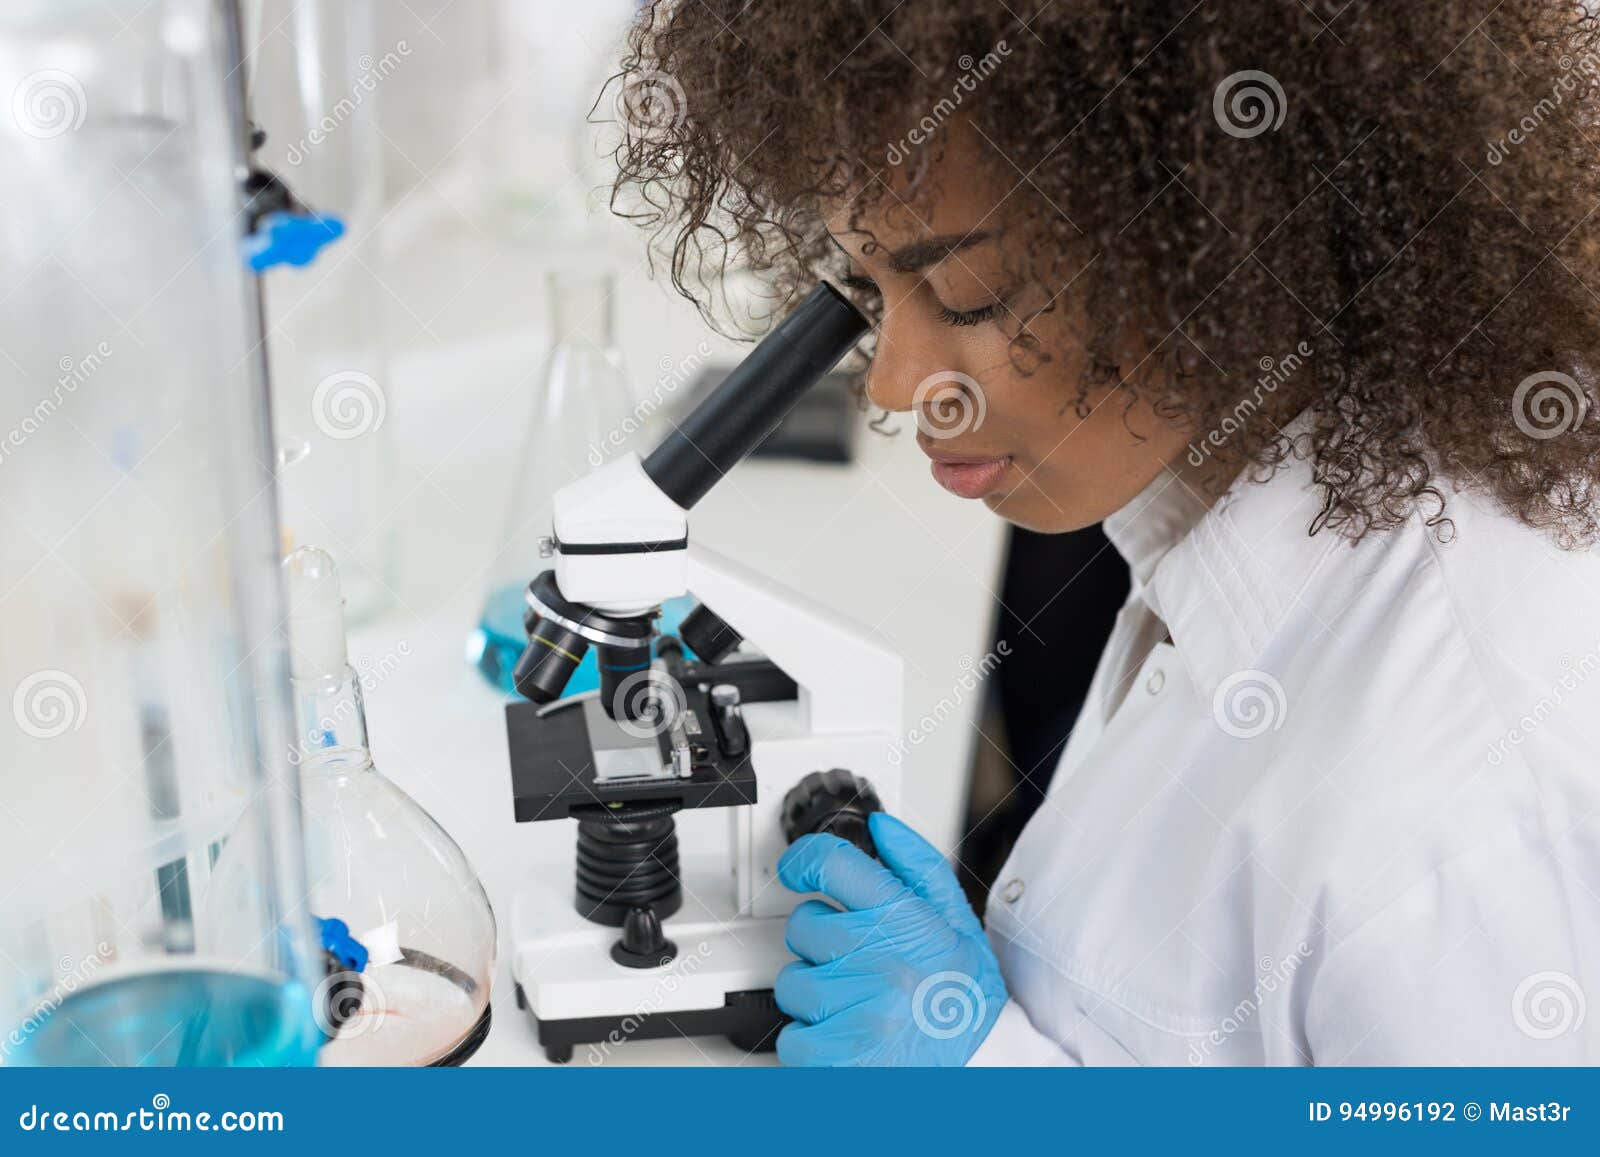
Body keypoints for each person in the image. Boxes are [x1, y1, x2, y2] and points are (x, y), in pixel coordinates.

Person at [610, 1, 1600, 1064]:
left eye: (966, 294)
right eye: (866, 287)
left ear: (1224, 240)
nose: (892, 385)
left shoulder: (1468, 798)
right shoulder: (1214, 511)